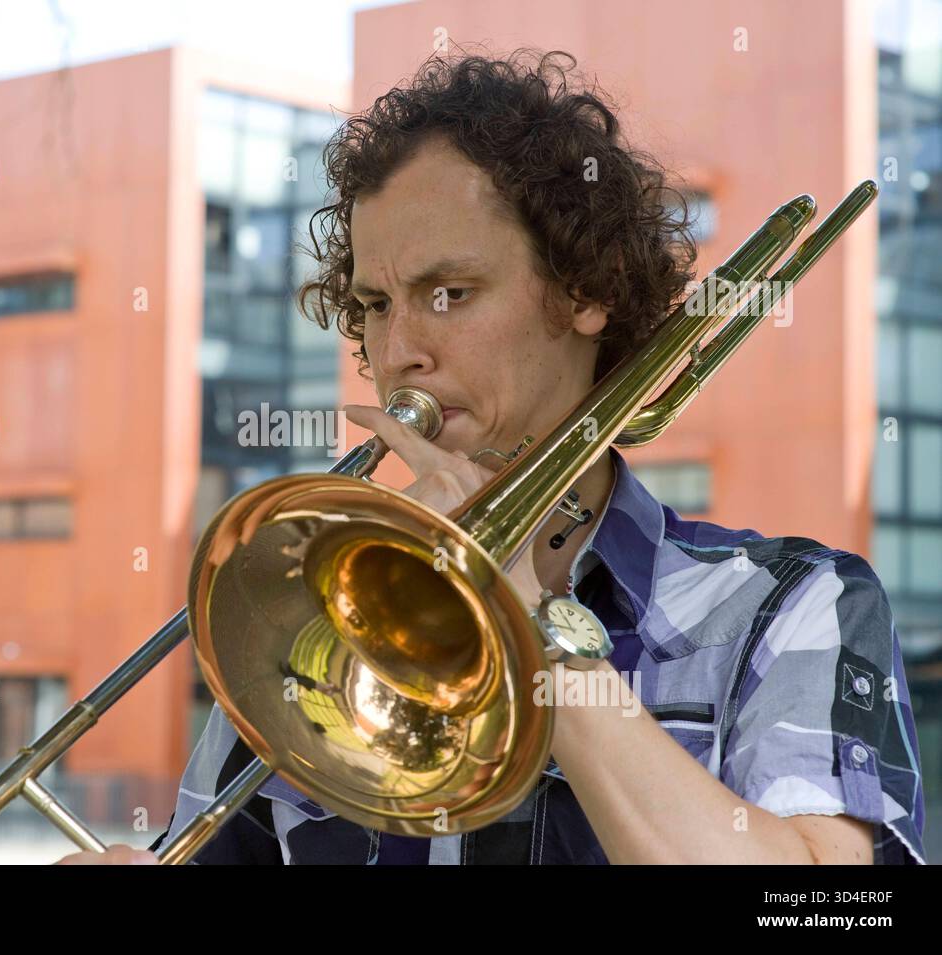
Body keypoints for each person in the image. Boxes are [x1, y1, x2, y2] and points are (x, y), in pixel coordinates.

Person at [60, 48, 925, 865]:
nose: (397, 348)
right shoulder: (310, 603)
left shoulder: (789, 604)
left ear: (583, 289)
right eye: (372, 304)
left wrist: (538, 638)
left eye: (449, 293)